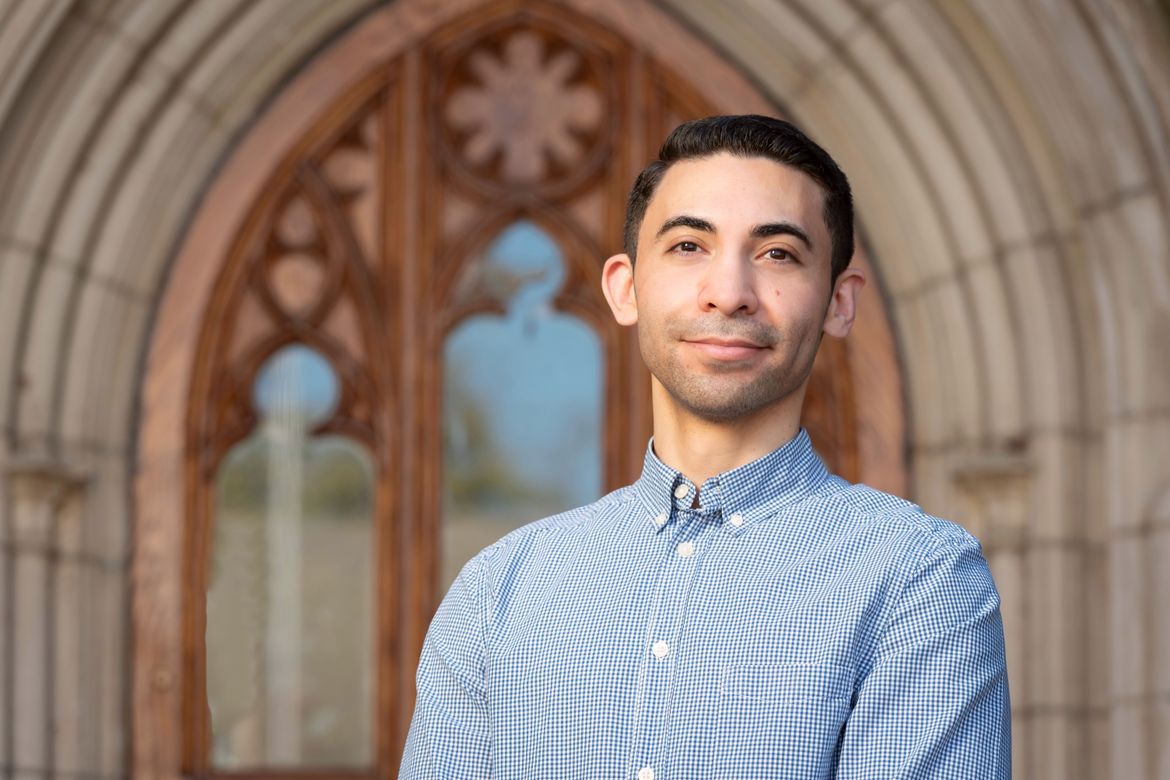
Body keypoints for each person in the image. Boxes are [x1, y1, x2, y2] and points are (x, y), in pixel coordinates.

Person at [399, 115, 1011, 779]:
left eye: (778, 254)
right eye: (689, 246)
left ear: (838, 303)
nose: (730, 293)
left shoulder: (919, 580)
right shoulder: (497, 593)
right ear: (626, 288)